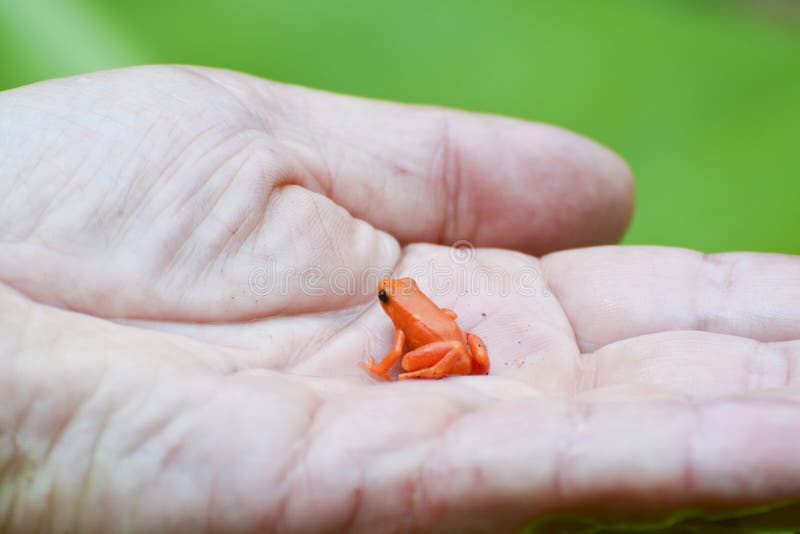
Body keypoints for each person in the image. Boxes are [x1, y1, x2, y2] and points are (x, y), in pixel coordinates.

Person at [1, 65, 798, 533]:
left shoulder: (402, 322)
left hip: (451, 351)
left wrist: (400, 369)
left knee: (436, 354)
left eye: (392, 298)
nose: (390, 302)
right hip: (461, 348)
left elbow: (425, 348)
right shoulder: (403, 308)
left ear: (394, 301)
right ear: (396, 299)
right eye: (392, 298)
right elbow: (438, 340)